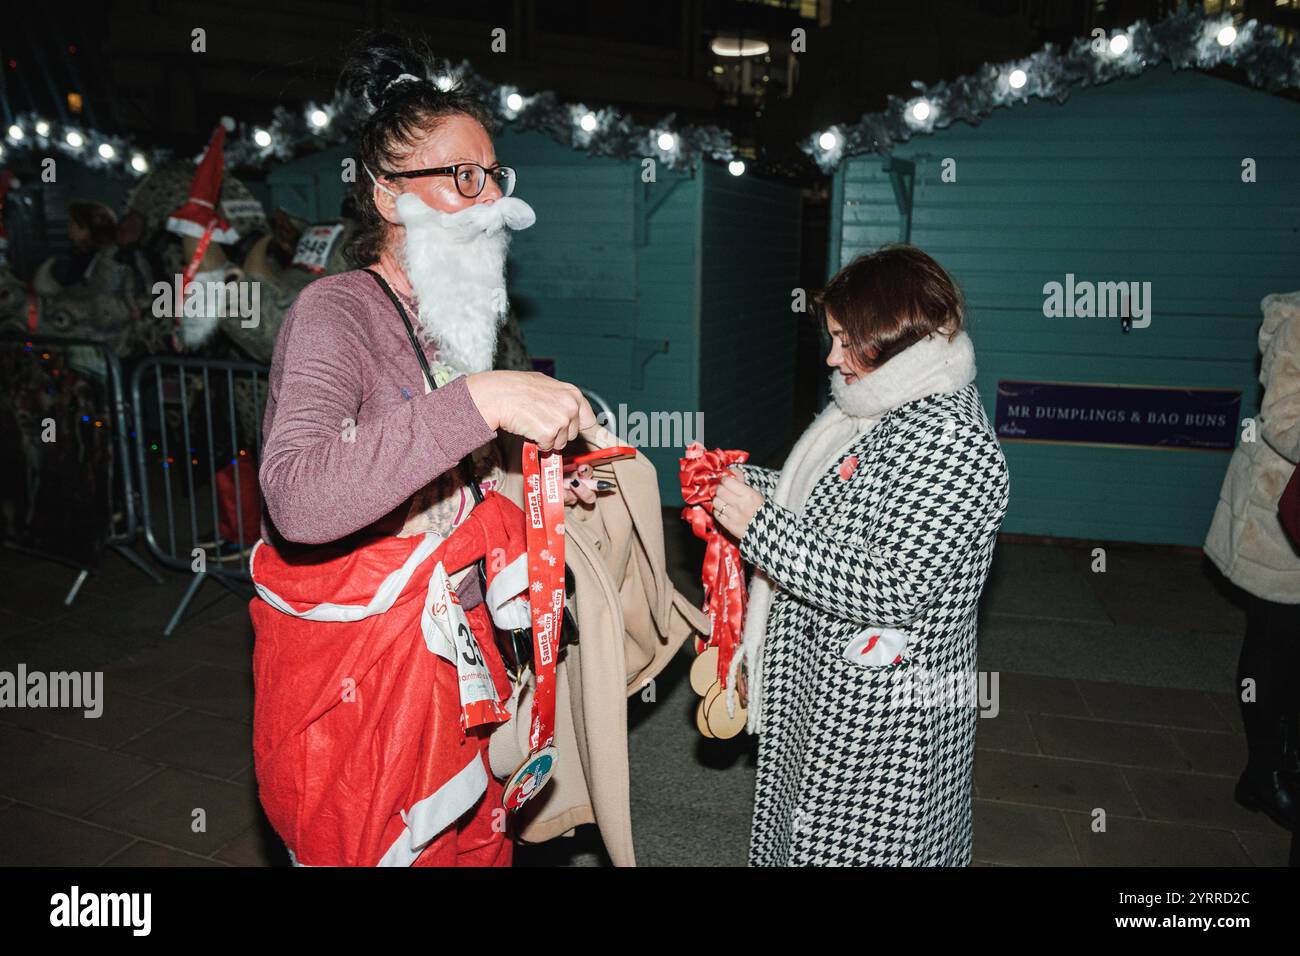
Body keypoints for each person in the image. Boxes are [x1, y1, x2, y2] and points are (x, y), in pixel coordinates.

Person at [249, 32, 597, 867]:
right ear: (388, 195)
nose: (492, 200)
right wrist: (482, 401)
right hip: (366, 683)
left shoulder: (458, 318)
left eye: (495, 176)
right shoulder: (336, 313)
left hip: (461, 661)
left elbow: (447, 476)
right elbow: (297, 497)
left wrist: (539, 487)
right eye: (463, 178)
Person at [709, 244, 1010, 866]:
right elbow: (839, 498)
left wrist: (760, 526)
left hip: (885, 720)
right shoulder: (887, 403)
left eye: (846, 340)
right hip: (831, 689)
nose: (831, 356)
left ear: (893, 337)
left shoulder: (952, 440)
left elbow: (894, 587)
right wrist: (746, 485)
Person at [1204, 290, 1300, 832]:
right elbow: (1283, 419)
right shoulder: (1298, 323)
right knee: (1274, 645)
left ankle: (1277, 765)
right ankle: (1265, 769)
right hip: (1279, 518)